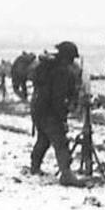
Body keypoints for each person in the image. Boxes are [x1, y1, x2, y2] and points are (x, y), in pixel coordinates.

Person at [29, 42, 82, 186]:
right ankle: (66, 173)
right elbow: (58, 97)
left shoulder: (46, 67)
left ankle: (34, 166)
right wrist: (62, 116)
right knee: (60, 141)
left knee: (44, 139)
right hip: (50, 110)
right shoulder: (61, 71)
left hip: (38, 108)